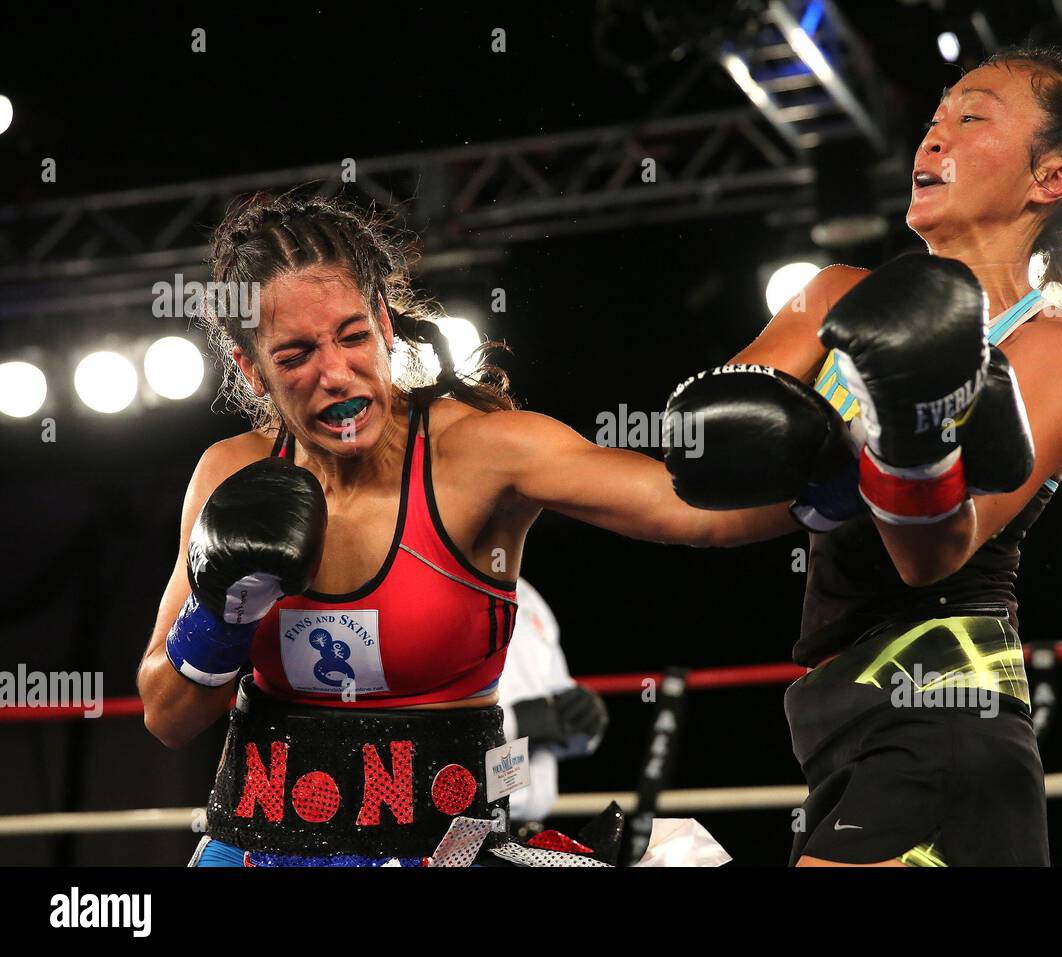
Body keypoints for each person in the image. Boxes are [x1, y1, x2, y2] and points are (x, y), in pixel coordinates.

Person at [136, 193, 793, 867]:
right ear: (254, 370)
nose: (334, 373)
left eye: (353, 336)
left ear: (384, 325)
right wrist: (220, 614)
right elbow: (167, 716)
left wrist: (847, 471)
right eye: (296, 353)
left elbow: (693, 509)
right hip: (252, 850)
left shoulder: (479, 453)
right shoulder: (232, 474)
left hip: (445, 853)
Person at [662, 46, 1062, 866]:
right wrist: (494, 458)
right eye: (935, 118)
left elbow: (936, 550)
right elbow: (692, 481)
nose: (934, 137)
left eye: (971, 117)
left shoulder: (1059, 348)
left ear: (1051, 178)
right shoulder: (833, 296)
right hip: (841, 722)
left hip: (945, 707)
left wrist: (884, 433)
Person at [496, 577, 608, 827]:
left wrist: (585, 721)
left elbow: (557, 700)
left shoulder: (526, 594)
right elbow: (410, 719)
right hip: (458, 830)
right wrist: (512, 724)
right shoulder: (423, 586)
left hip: (531, 829)